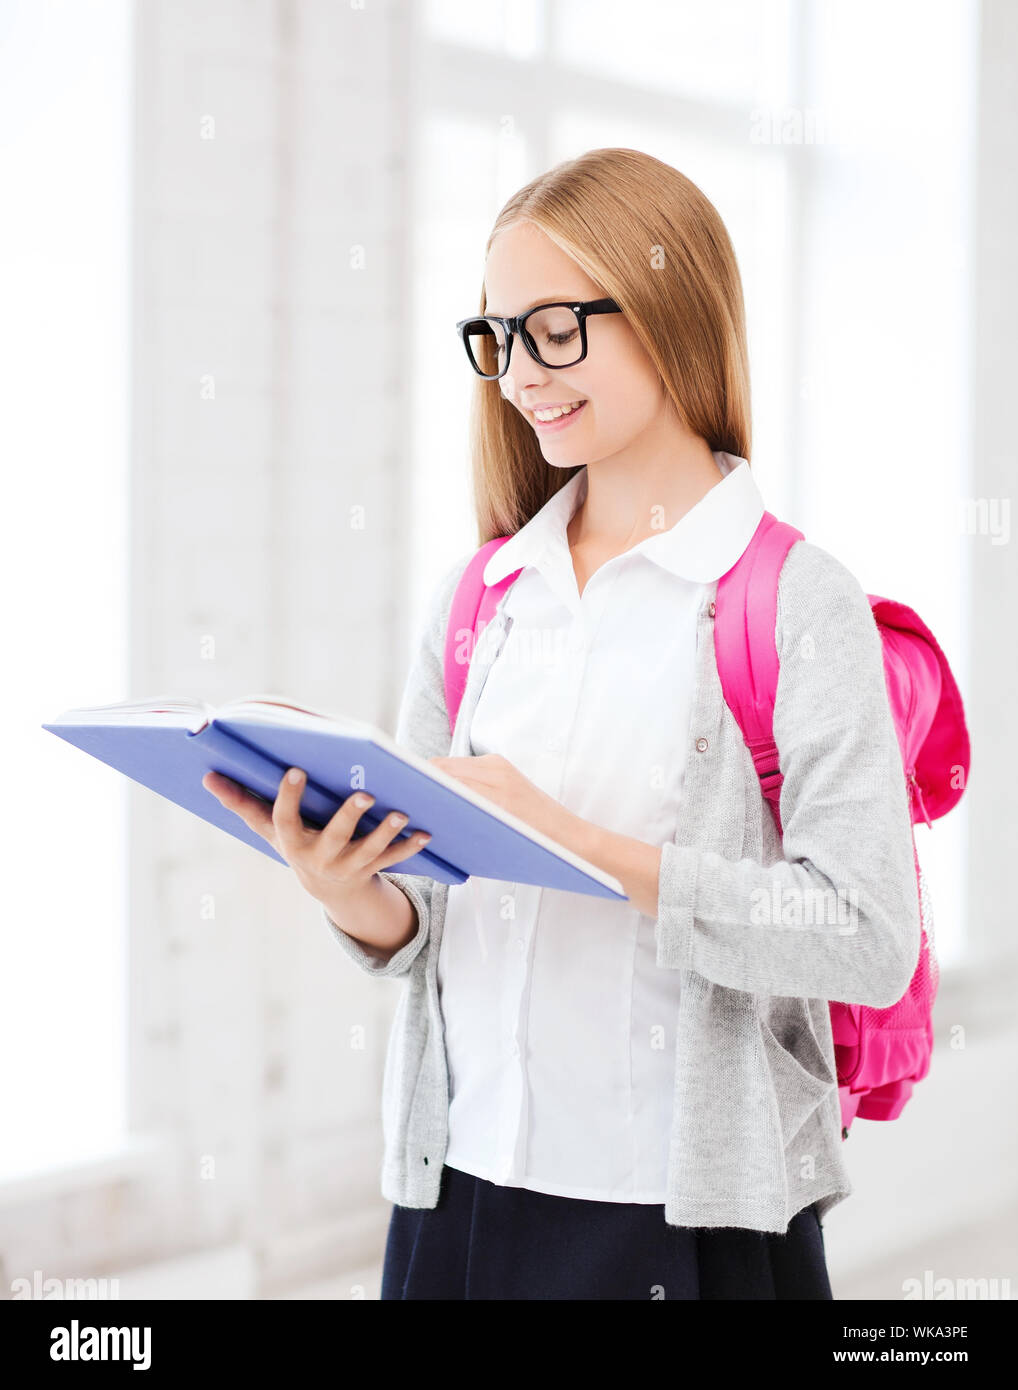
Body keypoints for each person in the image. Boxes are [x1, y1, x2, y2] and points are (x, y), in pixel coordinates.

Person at [203, 147, 920, 1300]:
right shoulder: (479, 598)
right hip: (460, 1200)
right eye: (496, 336)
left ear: (671, 308)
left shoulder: (789, 599)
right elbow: (430, 923)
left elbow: (868, 938)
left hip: (684, 1226)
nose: (522, 373)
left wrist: (578, 842)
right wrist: (355, 896)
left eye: (555, 328)